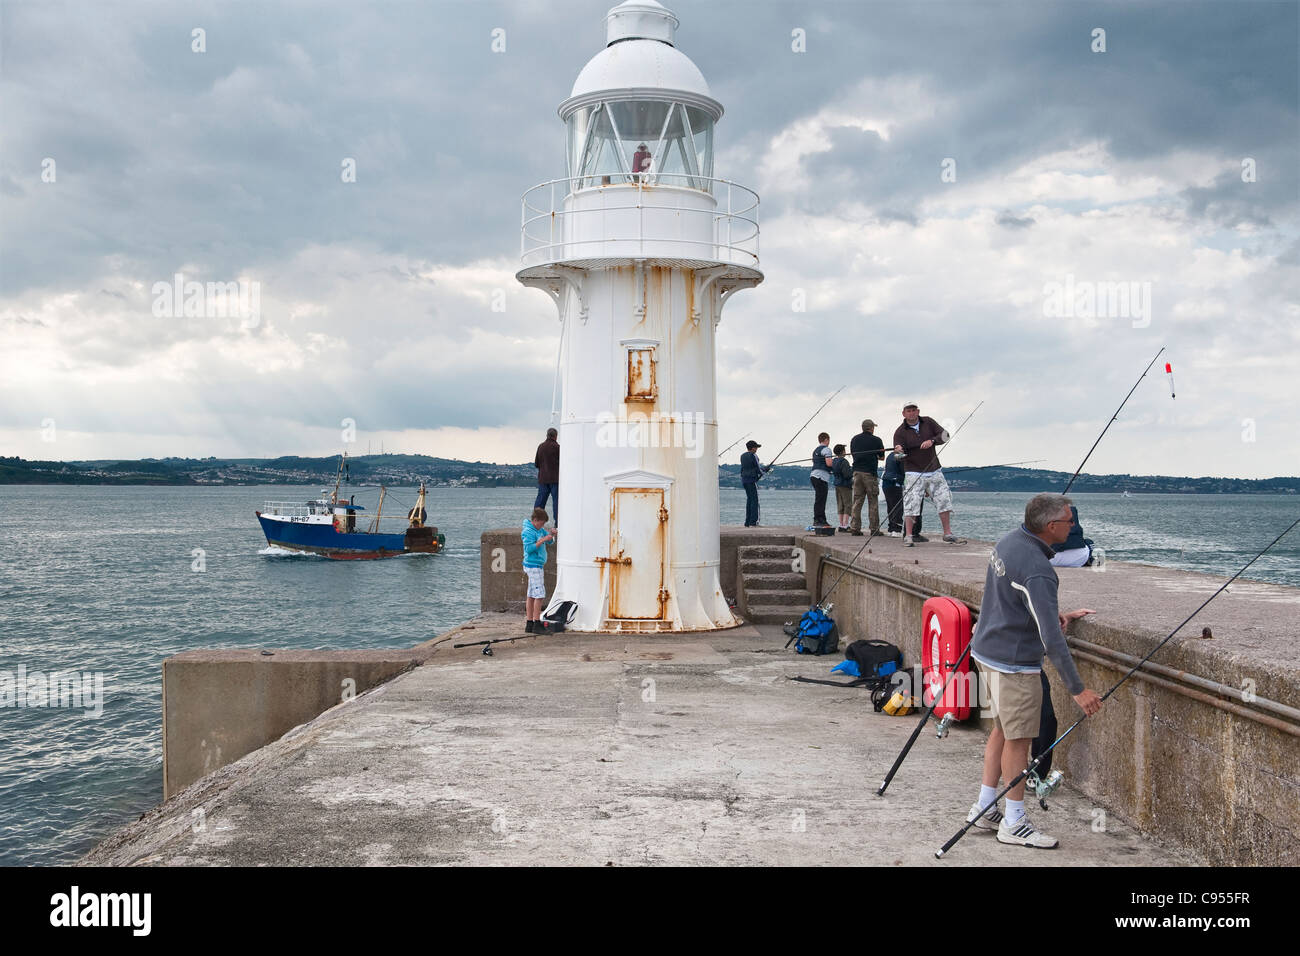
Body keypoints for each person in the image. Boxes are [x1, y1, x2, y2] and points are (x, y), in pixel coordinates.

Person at [965, 493, 1102, 848]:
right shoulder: (1040, 570)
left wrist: (1053, 616)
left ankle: (984, 807)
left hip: (985, 651)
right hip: (1013, 665)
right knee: (1018, 741)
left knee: (1001, 730)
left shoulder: (1010, 541)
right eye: (1070, 521)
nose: (1074, 526)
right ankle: (1014, 821)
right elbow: (1053, 642)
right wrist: (1078, 689)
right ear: (1051, 526)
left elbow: (1011, 597)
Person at [892, 403, 963, 546]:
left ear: (918, 411)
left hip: (934, 469)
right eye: (908, 411)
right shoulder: (900, 432)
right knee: (911, 503)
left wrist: (932, 441)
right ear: (903, 414)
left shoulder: (929, 422)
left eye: (914, 410)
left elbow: (945, 435)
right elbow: (898, 456)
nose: (911, 413)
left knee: (944, 499)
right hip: (912, 471)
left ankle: (947, 533)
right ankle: (909, 535)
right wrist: (898, 451)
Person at [521, 507, 556, 634]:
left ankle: (529, 624)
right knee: (539, 595)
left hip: (537, 565)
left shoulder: (539, 529)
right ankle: (537, 623)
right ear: (535, 520)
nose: (543, 526)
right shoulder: (527, 532)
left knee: (531, 595)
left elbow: (549, 542)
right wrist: (542, 540)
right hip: (533, 565)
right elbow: (529, 549)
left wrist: (551, 536)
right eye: (541, 523)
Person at [849, 419, 885, 536]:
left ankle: (854, 527)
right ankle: (874, 528)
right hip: (870, 473)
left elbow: (854, 454)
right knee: (873, 501)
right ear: (871, 428)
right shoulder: (876, 440)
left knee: (857, 501)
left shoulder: (854, 439)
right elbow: (882, 457)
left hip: (856, 472)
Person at [739, 440, 770, 527]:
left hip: (744, 480)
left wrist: (762, 470)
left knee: (749, 500)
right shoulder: (753, 455)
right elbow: (757, 468)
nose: (757, 449)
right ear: (752, 448)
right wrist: (765, 471)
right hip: (751, 481)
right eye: (756, 447)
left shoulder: (742, 456)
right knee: (755, 501)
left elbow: (745, 468)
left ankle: (747, 522)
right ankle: (754, 522)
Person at [533, 427, 560, 523]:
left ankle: (535, 521)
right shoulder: (558, 448)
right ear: (555, 436)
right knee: (556, 502)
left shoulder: (541, 446)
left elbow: (536, 464)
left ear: (547, 435)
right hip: (555, 479)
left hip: (543, 479)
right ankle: (557, 523)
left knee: (540, 502)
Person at [809, 432, 834, 528]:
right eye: (829, 440)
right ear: (826, 439)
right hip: (821, 477)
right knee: (821, 499)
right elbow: (829, 463)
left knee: (819, 499)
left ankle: (820, 519)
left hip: (813, 475)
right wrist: (835, 463)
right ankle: (819, 520)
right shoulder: (827, 449)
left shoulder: (815, 450)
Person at [832, 444, 854, 531]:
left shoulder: (834, 461)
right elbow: (847, 475)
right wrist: (852, 470)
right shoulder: (844, 461)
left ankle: (841, 524)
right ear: (842, 452)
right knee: (847, 504)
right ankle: (845, 525)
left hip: (837, 484)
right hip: (845, 485)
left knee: (840, 504)